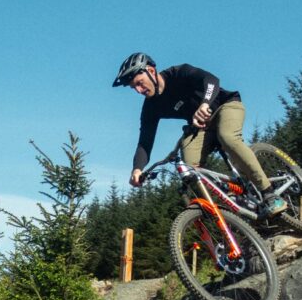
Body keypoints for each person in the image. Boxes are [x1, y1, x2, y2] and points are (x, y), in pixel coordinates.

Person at [112, 52, 287, 216]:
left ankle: (269, 193)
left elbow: (211, 81)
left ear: (151, 71)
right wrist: (137, 169)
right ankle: (234, 197)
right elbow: (145, 140)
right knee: (189, 168)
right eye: (134, 87)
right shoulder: (151, 107)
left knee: (228, 137)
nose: (138, 90)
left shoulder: (178, 73)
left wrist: (204, 104)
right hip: (201, 125)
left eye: (139, 83)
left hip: (224, 106)